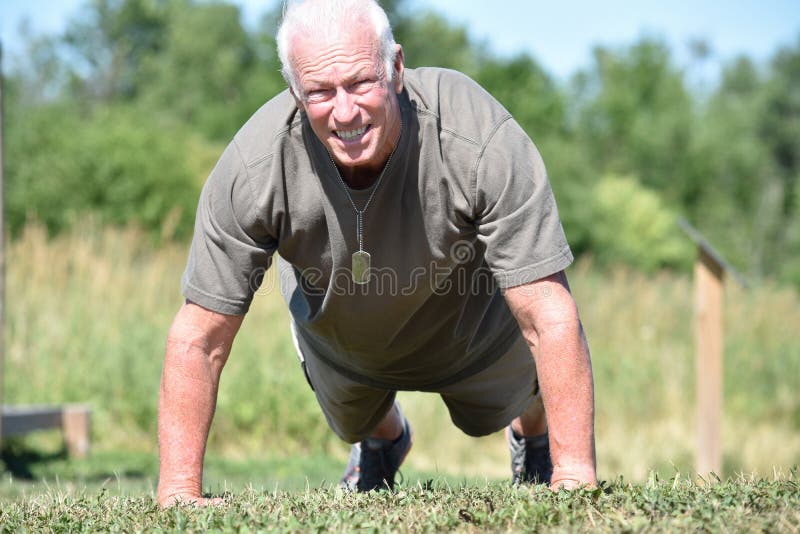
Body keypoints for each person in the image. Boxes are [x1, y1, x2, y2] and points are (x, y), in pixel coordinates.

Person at [157, 0, 596, 507]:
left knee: (515, 395)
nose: (345, 112)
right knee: (353, 419)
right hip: (344, 348)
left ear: (396, 67)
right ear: (295, 93)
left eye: (361, 82)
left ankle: (534, 431)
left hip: (474, 339)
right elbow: (200, 337)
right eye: (320, 91)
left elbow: (547, 312)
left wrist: (576, 474)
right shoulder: (254, 167)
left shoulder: (476, 136)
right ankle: (383, 437)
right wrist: (178, 493)